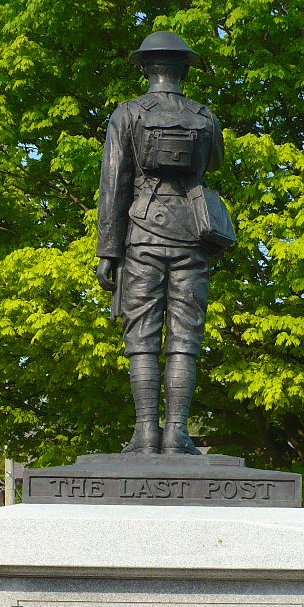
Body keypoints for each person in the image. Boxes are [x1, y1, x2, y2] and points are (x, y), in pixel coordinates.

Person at [96, 30, 228, 455]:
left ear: (145, 69)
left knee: (142, 336)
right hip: (192, 236)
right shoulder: (205, 117)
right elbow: (212, 166)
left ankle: (145, 433)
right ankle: (177, 434)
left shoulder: (127, 114)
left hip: (141, 238)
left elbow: (113, 186)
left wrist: (107, 251)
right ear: (184, 69)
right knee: (186, 338)